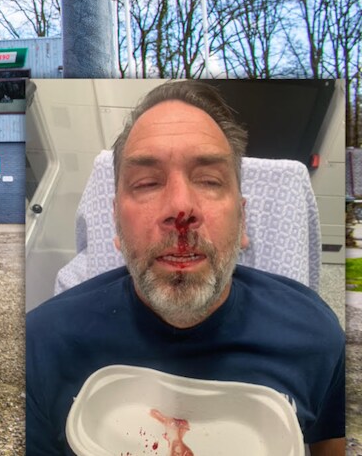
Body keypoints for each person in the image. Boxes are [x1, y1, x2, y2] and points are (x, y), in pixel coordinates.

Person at [25, 81, 345, 456]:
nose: (181, 208)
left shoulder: (315, 336)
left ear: (242, 221)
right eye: (147, 182)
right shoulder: (42, 346)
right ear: (115, 223)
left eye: (209, 180)